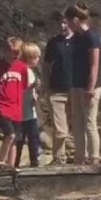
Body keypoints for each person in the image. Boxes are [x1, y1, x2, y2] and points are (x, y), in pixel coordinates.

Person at [65, 2, 101, 165]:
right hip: (76, 83)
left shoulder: (91, 36)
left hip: (91, 84)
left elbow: (94, 64)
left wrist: (90, 88)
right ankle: (80, 157)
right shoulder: (76, 38)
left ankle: (94, 157)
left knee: (89, 121)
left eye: (68, 21)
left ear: (75, 19)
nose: (67, 24)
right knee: (77, 121)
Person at [0, 37, 28, 167]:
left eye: (18, 52)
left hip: (16, 107)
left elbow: (24, 86)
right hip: (1, 106)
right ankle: (1, 161)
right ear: (5, 51)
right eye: (13, 51)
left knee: (15, 138)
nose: (16, 55)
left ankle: (11, 165)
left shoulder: (22, 67)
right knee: (10, 134)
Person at [42, 15, 75, 164]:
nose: (62, 26)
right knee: (60, 129)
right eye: (60, 22)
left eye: (65, 23)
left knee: (76, 126)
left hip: (75, 90)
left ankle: (74, 155)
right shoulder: (53, 42)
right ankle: (59, 158)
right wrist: (46, 85)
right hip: (56, 91)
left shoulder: (79, 41)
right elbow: (46, 65)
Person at [15, 43, 44, 168]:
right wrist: (31, 87)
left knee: (33, 138)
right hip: (20, 113)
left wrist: (35, 94)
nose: (38, 60)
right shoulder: (21, 71)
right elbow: (19, 89)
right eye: (36, 57)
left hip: (30, 112)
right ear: (29, 58)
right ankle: (14, 164)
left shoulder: (30, 72)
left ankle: (34, 162)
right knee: (19, 140)